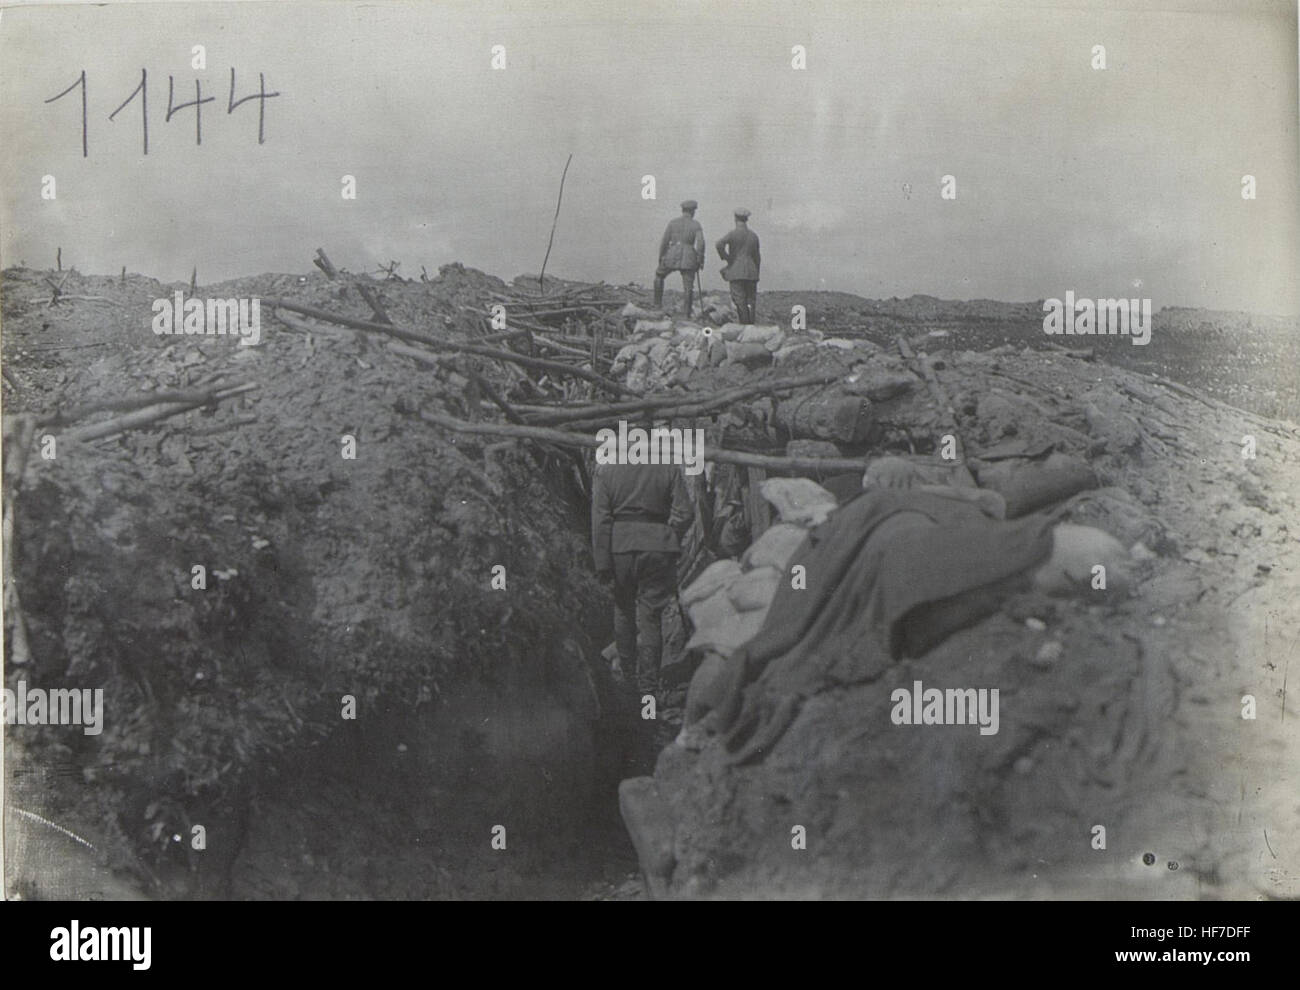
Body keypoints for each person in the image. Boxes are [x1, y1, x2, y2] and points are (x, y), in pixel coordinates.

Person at [592, 458, 694, 694]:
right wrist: (668, 536)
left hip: (620, 548)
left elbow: (600, 519)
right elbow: (685, 512)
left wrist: (602, 562)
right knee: (651, 616)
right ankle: (648, 686)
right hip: (658, 547)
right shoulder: (667, 468)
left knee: (623, 609)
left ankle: (628, 681)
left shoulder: (607, 471)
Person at [654, 200, 706, 317]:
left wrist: (661, 257)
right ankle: (686, 314)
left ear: (682, 210)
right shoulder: (696, 224)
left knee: (659, 276)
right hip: (689, 256)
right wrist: (700, 259)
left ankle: (657, 305)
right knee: (688, 287)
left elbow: (664, 242)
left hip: (672, 254)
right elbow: (701, 243)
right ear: (692, 211)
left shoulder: (673, 223)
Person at [716, 208, 761, 324]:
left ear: (735, 219)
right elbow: (757, 257)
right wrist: (756, 272)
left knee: (739, 300)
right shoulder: (754, 236)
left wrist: (726, 257)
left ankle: (744, 324)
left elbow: (719, 244)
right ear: (746, 219)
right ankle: (751, 325)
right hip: (752, 272)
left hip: (736, 271)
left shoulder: (733, 234)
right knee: (751, 300)